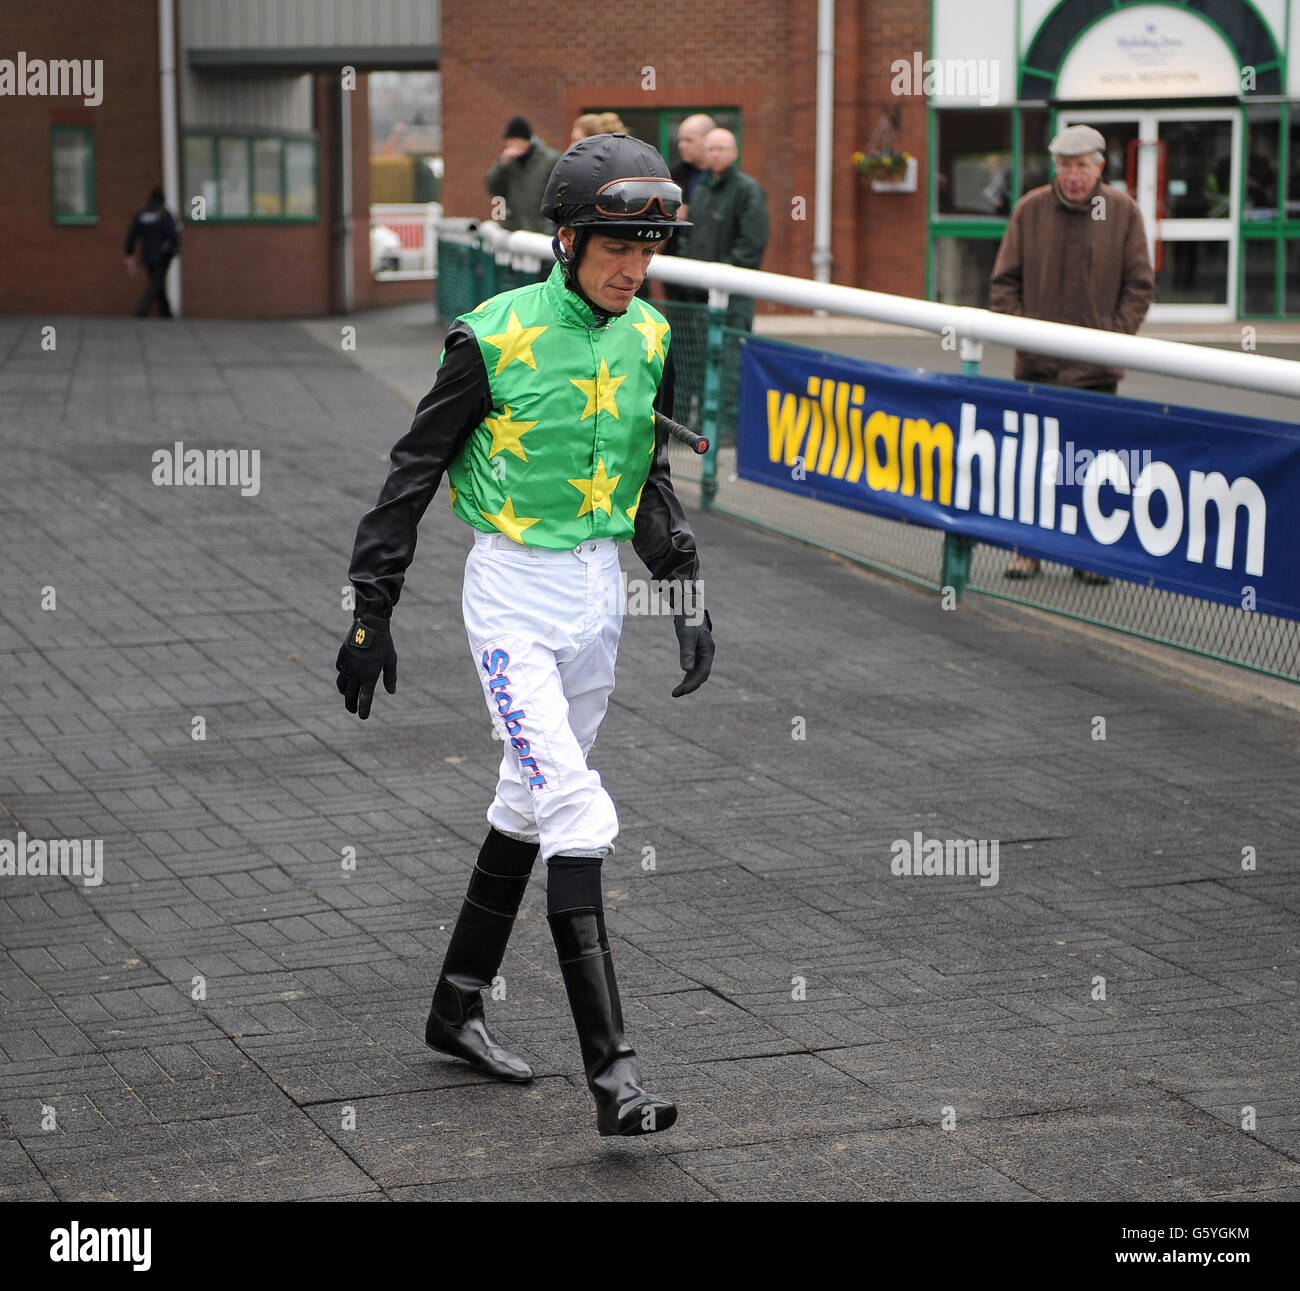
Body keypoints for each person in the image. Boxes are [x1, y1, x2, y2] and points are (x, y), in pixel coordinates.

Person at [336, 132, 714, 1138]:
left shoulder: (648, 337)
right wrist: (370, 607)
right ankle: (616, 1074)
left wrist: (679, 583)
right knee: (577, 811)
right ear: (564, 237)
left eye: (650, 250)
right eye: (615, 250)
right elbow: (410, 473)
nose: (634, 270)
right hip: (509, 594)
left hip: (597, 595)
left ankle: (456, 1004)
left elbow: (648, 475)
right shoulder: (490, 337)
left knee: (524, 798)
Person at [989, 123, 1153, 584]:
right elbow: (1004, 283)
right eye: (1064, 166)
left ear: (1099, 166)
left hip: (1096, 372)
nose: (1072, 175)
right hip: (1037, 367)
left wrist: (1113, 337)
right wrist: (1026, 335)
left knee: (1092, 467)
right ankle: (1028, 550)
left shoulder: (1122, 212)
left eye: (1080, 166)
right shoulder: (1030, 210)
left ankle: (1088, 556)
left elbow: (1139, 285)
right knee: (1033, 463)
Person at [678, 127, 770, 330]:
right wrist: (690, 267)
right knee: (699, 353)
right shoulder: (702, 188)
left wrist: (723, 272)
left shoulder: (748, 190)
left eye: (721, 149)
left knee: (730, 351)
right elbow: (687, 233)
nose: (715, 154)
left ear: (734, 152)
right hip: (698, 291)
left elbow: (752, 243)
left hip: (734, 294)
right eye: (710, 149)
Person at [661, 113, 716, 303]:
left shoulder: (722, 179)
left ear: (707, 140)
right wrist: (668, 215)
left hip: (712, 268)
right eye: (680, 139)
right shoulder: (671, 175)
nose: (681, 145)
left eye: (689, 140)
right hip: (676, 265)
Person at [485, 116, 560, 234]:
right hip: (514, 231)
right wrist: (501, 165)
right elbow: (493, 188)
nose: (511, 145)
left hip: (540, 232)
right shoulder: (508, 163)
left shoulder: (549, 160)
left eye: (515, 140)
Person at [123, 187, 180, 318]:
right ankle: (142, 309)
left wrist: (128, 251)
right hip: (162, 255)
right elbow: (173, 234)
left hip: (147, 255)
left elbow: (132, 234)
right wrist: (175, 247)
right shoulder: (163, 214)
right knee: (156, 281)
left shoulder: (142, 214)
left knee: (157, 281)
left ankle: (166, 312)